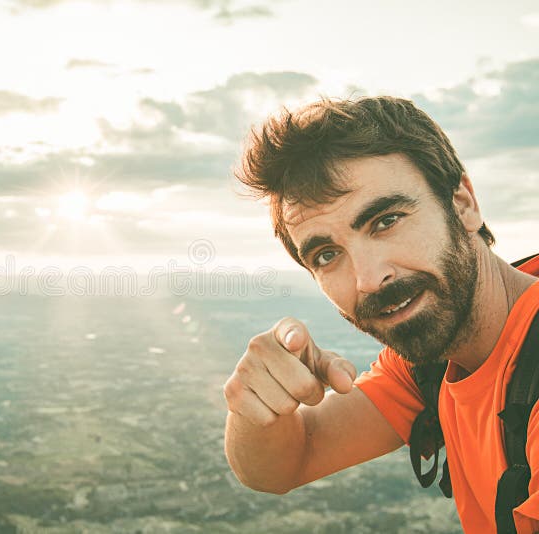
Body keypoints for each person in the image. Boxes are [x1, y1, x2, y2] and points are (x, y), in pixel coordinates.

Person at [222, 96, 539, 533]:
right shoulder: (433, 358)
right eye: (327, 254)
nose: (368, 280)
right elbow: (283, 465)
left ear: (463, 204)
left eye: (386, 221)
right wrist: (255, 405)